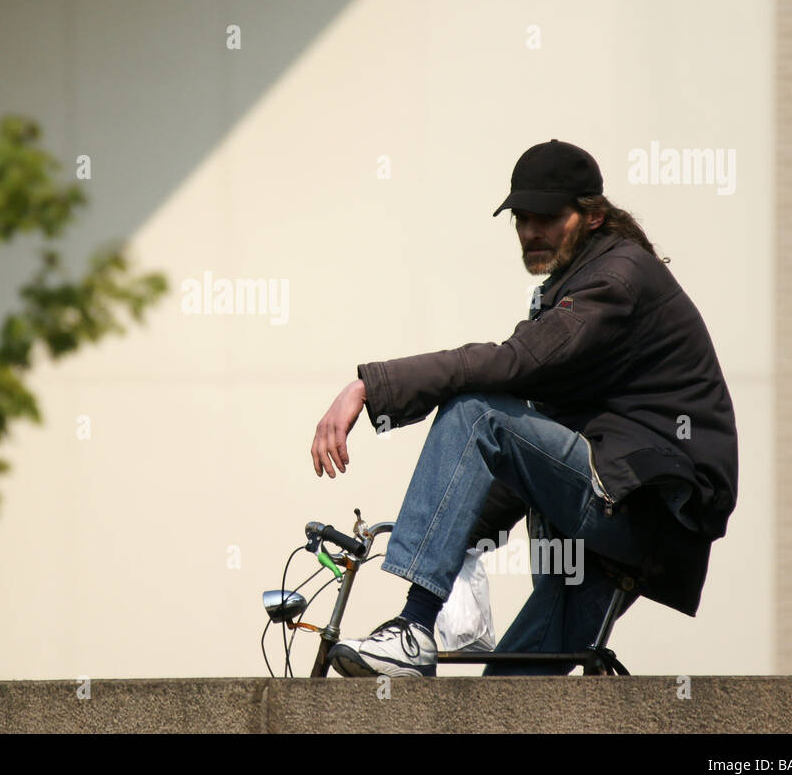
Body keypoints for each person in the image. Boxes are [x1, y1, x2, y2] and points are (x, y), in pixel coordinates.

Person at [309, 139, 739, 677]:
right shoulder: (575, 284)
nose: (531, 231)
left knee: (475, 411)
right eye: (521, 219)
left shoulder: (617, 279)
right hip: (635, 528)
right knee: (511, 695)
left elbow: (512, 368)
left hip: (640, 501)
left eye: (548, 218)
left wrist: (369, 387)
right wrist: (457, 530)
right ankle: (417, 635)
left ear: (593, 215)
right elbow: (538, 441)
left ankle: (413, 627)